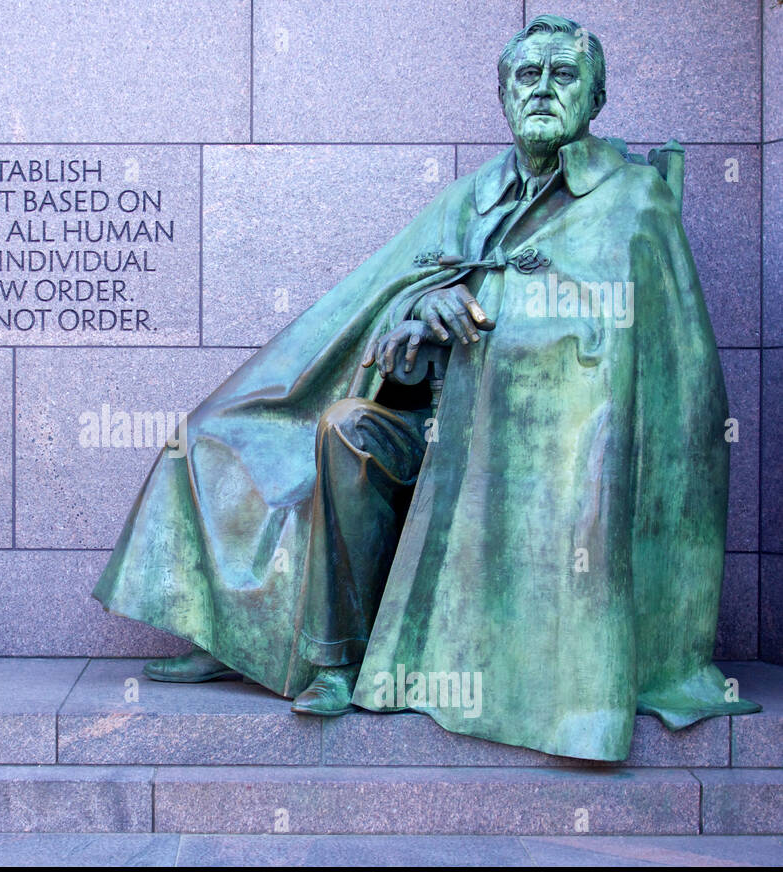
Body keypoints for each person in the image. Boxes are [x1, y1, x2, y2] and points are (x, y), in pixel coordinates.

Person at [91, 15, 759, 761]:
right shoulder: (474, 196)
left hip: (529, 457)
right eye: (525, 76)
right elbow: (390, 300)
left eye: (562, 75)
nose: (541, 89)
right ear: (503, 96)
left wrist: (495, 316)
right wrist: (416, 316)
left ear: (596, 95)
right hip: (434, 427)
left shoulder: (633, 199)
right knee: (306, 427)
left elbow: (642, 358)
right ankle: (312, 652)